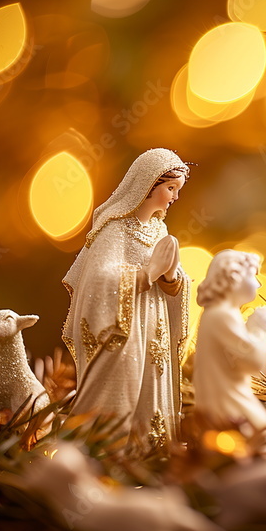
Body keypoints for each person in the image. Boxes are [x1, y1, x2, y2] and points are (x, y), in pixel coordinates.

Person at [62, 148, 191, 455]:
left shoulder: (160, 229)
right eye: (170, 188)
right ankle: (112, 450)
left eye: (177, 190)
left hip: (154, 326)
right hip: (125, 329)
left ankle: (149, 450)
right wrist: (146, 275)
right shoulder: (115, 228)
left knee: (152, 386)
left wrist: (172, 278)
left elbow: (175, 281)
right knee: (125, 384)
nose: (174, 197)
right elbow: (98, 279)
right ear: (148, 185)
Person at [193, 250, 266, 438]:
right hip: (225, 402)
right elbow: (254, 362)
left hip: (226, 393)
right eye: (253, 276)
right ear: (234, 278)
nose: (258, 284)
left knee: (262, 429)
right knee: (260, 429)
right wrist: (258, 329)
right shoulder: (222, 315)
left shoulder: (220, 313)